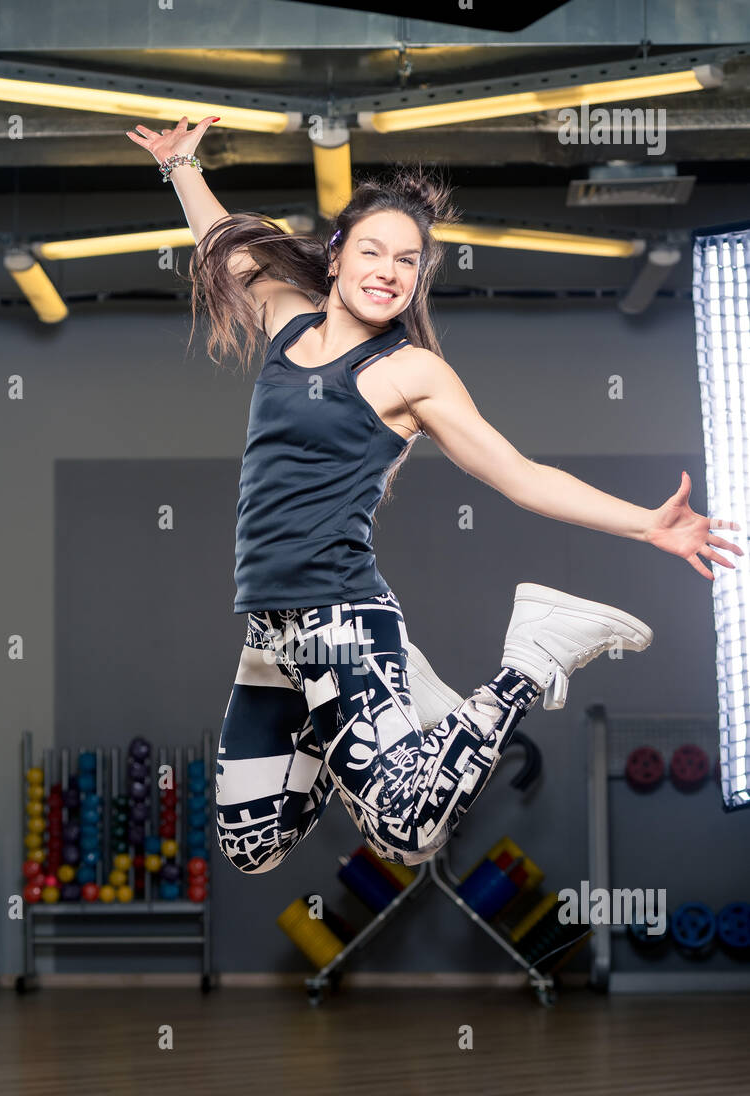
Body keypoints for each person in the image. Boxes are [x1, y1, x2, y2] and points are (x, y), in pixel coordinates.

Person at [126, 118, 743, 870]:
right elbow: (224, 244)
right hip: (270, 632)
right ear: (336, 255)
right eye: (372, 251)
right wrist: (182, 164)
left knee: (408, 834)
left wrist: (647, 525)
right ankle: (371, 734)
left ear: (418, 278)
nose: (388, 271)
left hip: (341, 618)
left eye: (407, 261)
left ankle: (531, 655)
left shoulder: (410, 372)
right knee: (250, 845)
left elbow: (518, 473)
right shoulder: (287, 322)